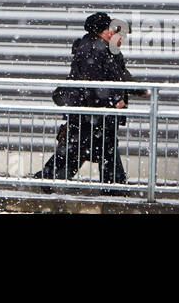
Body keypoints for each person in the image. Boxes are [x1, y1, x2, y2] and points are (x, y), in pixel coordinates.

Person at [31, 11, 144, 194]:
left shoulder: (104, 48)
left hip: (94, 112)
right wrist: (114, 100)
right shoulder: (92, 49)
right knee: (86, 148)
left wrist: (137, 89)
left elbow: (118, 75)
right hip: (90, 111)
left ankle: (111, 185)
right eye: (109, 28)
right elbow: (94, 82)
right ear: (101, 30)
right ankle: (112, 186)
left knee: (87, 148)